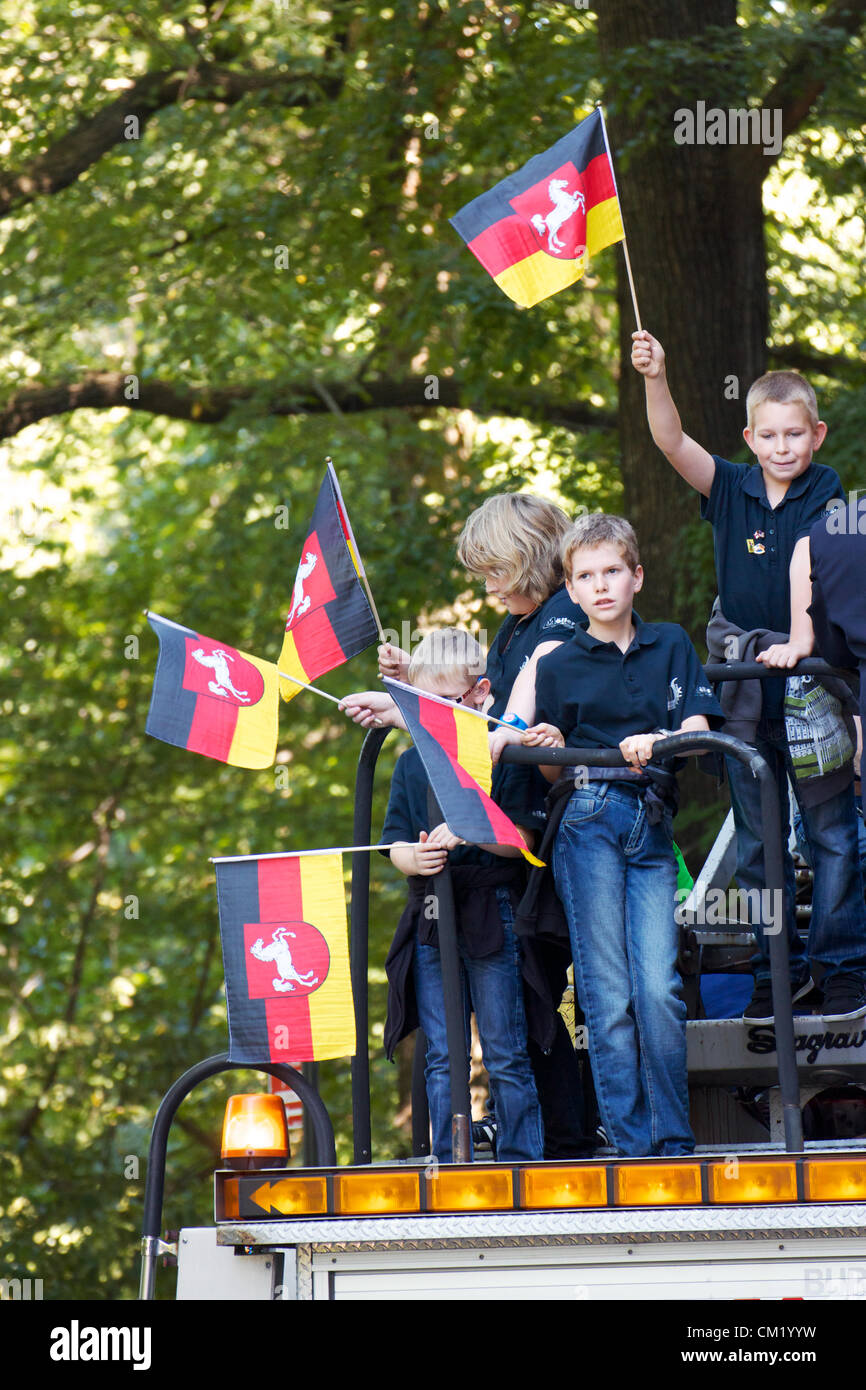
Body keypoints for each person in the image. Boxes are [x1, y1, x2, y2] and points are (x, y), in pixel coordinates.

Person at [342, 493, 594, 1157]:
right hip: (438, 911)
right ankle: (464, 1151)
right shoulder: (515, 628)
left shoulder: (565, 620)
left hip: (543, 854)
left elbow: (503, 733)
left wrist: (409, 714)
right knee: (455, 1046)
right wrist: (412, 696)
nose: (484, 583)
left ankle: (547, 1146)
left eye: (493, 569)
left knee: (530, 1019)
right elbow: (400, 827)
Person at [632, 330, 866, 1024]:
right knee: (760, 839)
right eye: (769, 436)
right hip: (744, 681)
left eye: (796, 433)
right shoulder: (731, 485)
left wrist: (801, 643)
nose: (783, 447)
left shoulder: (826, 492)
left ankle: (842, 967)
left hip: (811, 680)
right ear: (750, 437)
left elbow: (807, 565)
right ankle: (775, 972)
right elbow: (672, 442)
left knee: (830, 831)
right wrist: (657, 375)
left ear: (817, 435)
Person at [524, 513, 723, 1157]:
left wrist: (659, 740)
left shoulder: (670, 643)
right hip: (588, 818)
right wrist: (550, 745)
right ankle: (635, 1147)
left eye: (613, 571)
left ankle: (674, 1140)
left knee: (659, 988)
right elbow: (553, 770)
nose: (601, 585)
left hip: (652, 824)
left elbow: (695, 728)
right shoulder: (555, 663)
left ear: (636, 576)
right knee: (607, 994)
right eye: (586, 576)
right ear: (571, 590)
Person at [380, 628, 544, 1164]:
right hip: (432, 912)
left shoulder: (502, 752)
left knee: (505, 1049)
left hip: (491, 907)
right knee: (442, 1054)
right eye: (423, 706)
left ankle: (523, 1160)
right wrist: (413, 858)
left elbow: (524, 843)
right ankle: (451, 1160)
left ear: (480, 692)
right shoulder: (410, 764)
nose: (436, 717)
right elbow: (393, 842)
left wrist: (474, 830)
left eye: (447, 703)